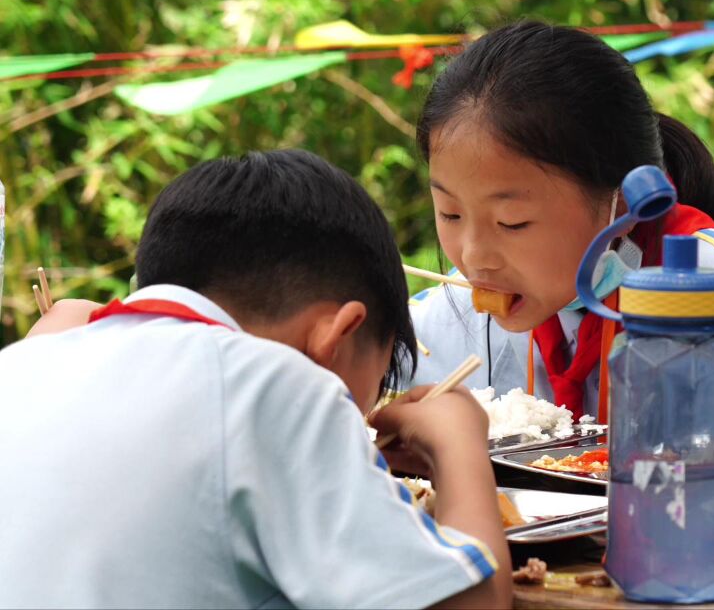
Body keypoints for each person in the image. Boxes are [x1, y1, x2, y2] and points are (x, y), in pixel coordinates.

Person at [0, 150, 512, 609]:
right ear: (336, 336)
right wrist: (458, 444)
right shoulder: (275, 385)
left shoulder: (21, 365)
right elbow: (475, 604)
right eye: (371, 390)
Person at [407, 20, 714, 440]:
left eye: (512, 222)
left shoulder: (703, 284)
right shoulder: (456, 305)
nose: (473, 256)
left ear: (622, 201)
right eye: (450, 214)